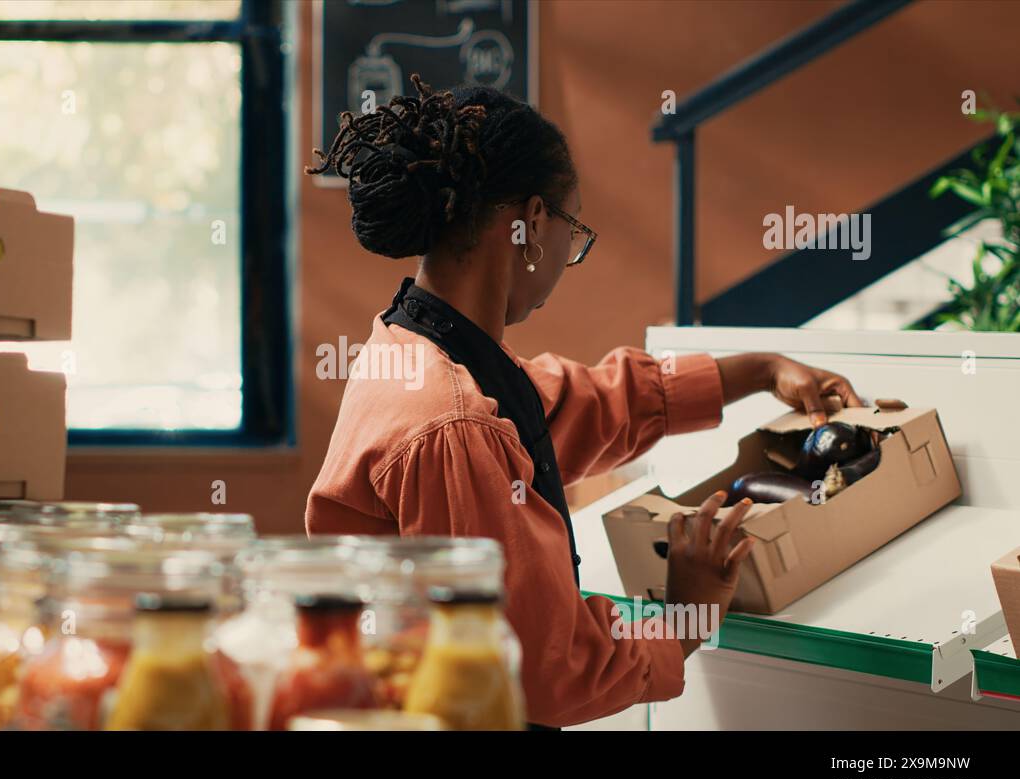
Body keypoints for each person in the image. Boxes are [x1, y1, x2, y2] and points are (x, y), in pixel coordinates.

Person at [304, 75, 863, 728]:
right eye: (574, 231)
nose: (569, 254)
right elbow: (541, 673)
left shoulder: (417, 346)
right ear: (533, 225)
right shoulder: (455, 424)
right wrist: (686, 615)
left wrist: (762, 369)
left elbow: (586, 403)